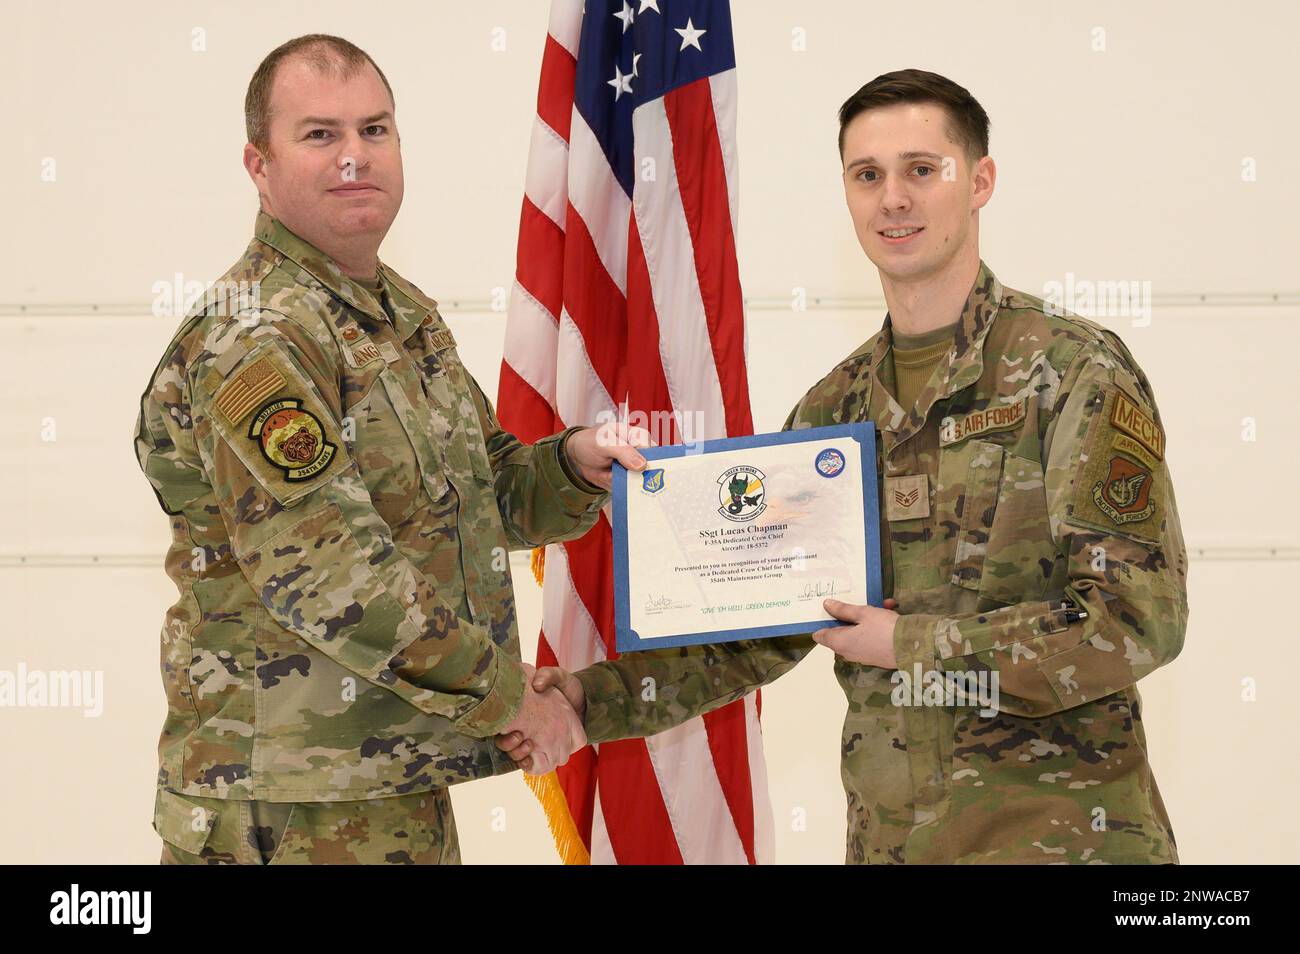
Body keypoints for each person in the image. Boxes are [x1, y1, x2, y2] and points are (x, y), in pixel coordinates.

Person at [502, 69, 1189, 865]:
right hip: (891, 845)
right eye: (868, 176)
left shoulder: (1073, 373)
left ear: (980, 182)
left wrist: (915, 646)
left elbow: (1135, 618)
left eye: (921, 170)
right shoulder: (835, 410)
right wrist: (589, 698)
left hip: (1062, 844)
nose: (893, 198)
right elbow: (757, 630)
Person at [133, 34, 638, 865]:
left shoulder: (396, 314)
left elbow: (484, 495)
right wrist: (513, 697)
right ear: (259, 165)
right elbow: (330, 572)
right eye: (320, 134)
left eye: (375, 129)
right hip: (289, 808)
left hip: (389, 778)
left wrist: (573, 462)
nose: (355, 157)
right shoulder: (257, 335)